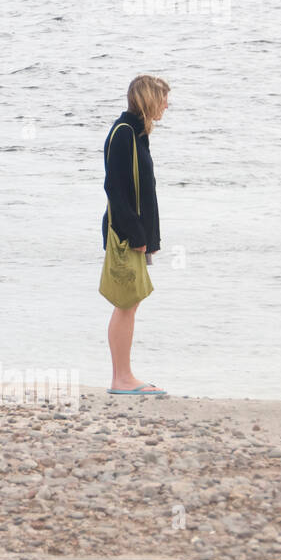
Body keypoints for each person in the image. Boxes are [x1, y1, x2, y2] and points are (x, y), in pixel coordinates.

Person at [102, 74, 170, 396]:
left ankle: (124, 376)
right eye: (163, 99)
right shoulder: (124, 134)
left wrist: (148, 237)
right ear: (148, 100)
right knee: (126, 303)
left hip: (136, 234)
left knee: (131, 303)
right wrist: (136, 234)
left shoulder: (136, 134)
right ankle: (121, 379)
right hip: (126, 234)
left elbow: (141, 190)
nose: (166, 105)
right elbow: (114, 189)